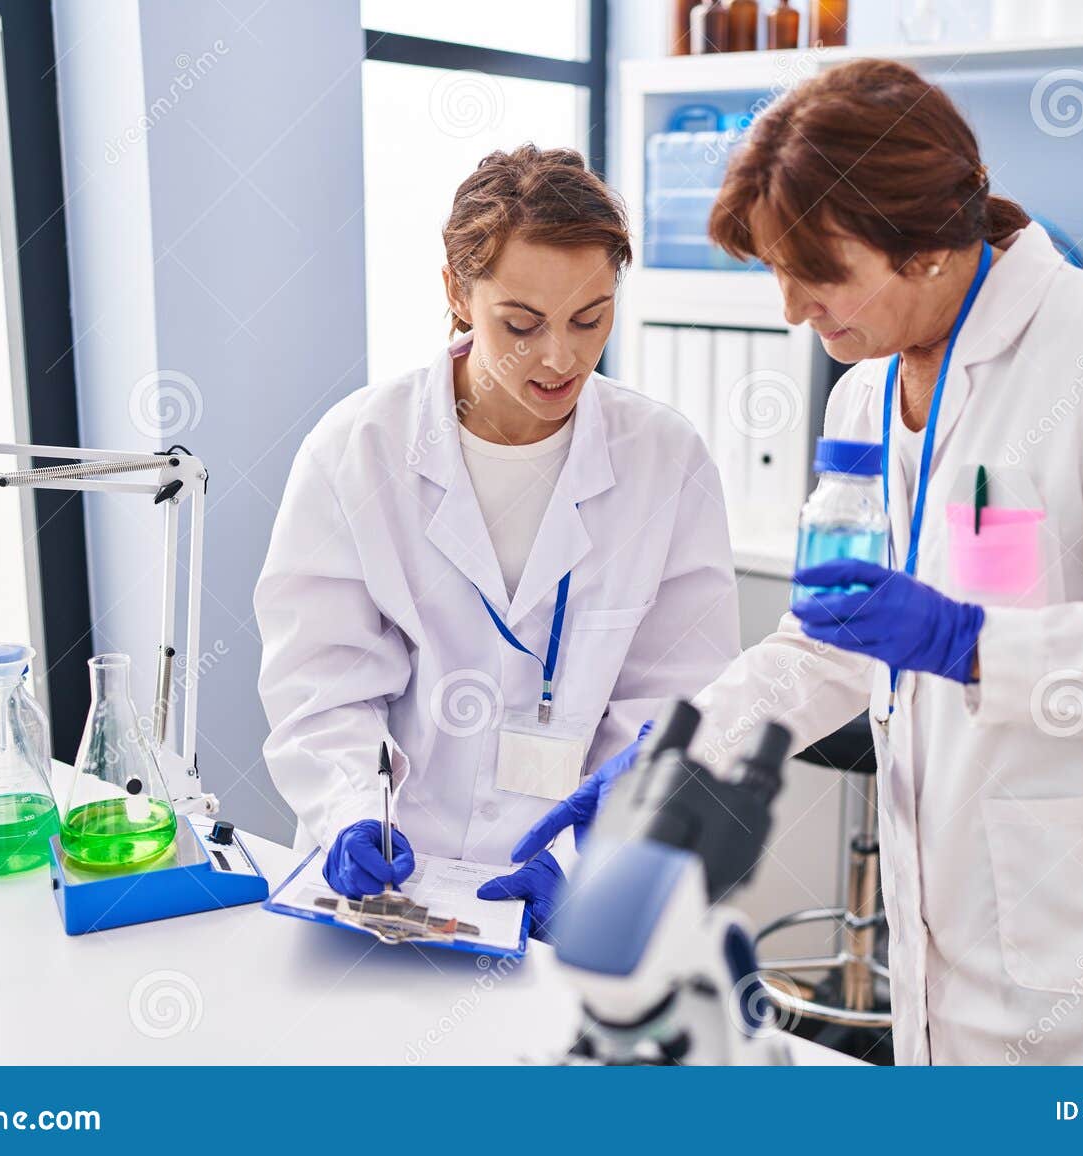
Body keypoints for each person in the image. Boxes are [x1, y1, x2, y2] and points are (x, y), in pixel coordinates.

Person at [515, 61, 1083, 1064]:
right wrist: (678, 749)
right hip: (949, 937)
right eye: (775, 273)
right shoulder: (866, 393)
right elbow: (828, 645)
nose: (793, 309)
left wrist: (970, 643)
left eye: (818, 274)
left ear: (925, 244)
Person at [255, 145, 738, 939]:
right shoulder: (359, 450)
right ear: (457, 292)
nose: (560, 357)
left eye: (591, 318)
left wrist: (592, 858)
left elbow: (677, 703)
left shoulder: (665, 460)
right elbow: (320, 685)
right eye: (522, 324)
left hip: (579, 894)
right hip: (391, 891)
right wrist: (348, 812)